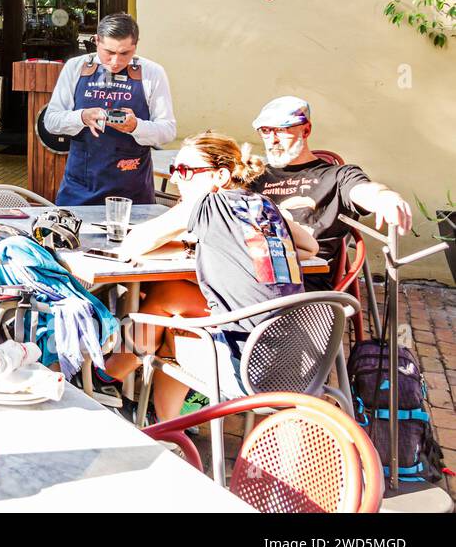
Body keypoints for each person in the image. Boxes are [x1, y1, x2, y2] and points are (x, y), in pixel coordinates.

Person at [102, 131, 317, 419]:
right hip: (300, 365)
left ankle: (113, 383)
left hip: (247, 369)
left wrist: (192, 234)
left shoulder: (206, 204)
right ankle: (156, 418)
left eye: (185, 171)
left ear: (220, 176)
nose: (176, 178)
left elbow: (132, 245)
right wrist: (244, 246)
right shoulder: (262, 204)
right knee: (171, 294)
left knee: (170, 324)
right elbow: (309, 246)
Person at [248, 95, 413, 283]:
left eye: (282, 130)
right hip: (253, 271)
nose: (272, 139)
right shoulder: (254, 177)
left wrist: (385, 198)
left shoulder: (336, 176)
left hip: (303, 281)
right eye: (265, 131)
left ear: (306, 130)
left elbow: (364, 190)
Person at [44, 12, 176, 206]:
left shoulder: (152, 72)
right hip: (80, 187)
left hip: (133, 188)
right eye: (109, 52)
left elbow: (168, 131)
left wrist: (135, 127)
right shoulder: (75, 67)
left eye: (125, 54)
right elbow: (51, 122)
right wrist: (82, 117)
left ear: (136, 45)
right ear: (96, 41)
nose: (116, 61)